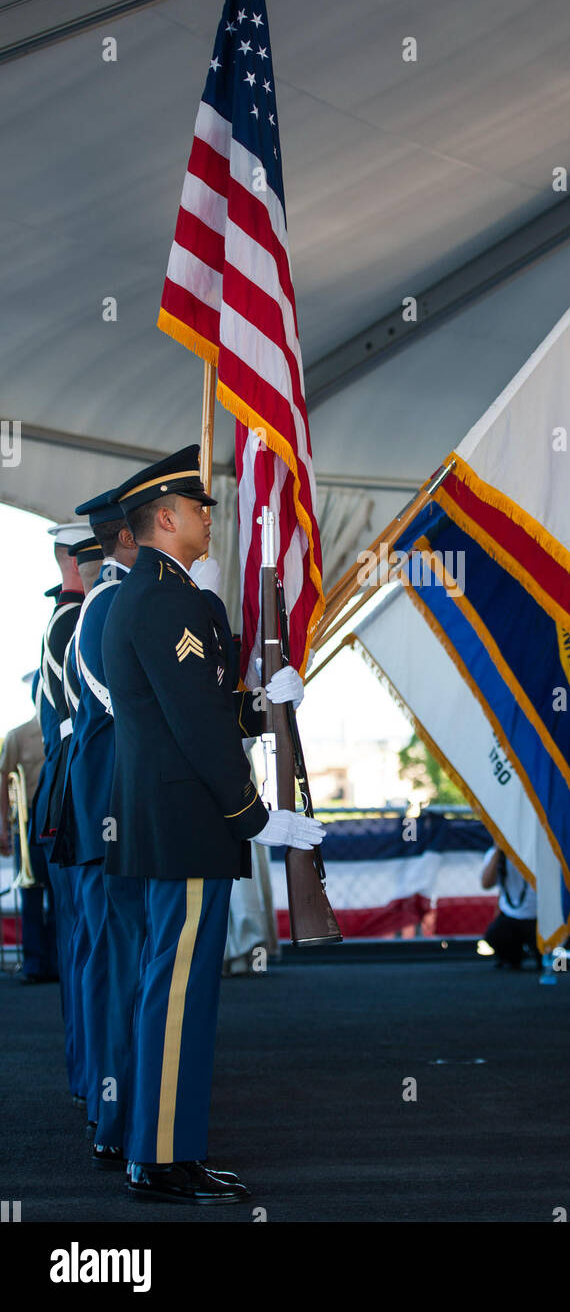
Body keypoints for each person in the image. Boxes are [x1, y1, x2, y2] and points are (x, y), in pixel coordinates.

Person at [102, 444, 324, 1205]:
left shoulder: (159, 594)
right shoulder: (167, 599)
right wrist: (254, 818)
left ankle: (146, 1142)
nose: (208, 516)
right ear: (165, 520)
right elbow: (197, 725)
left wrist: (265, 701)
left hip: (167, 816)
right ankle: (160, 1157)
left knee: (161, 983)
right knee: (176, 992)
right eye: (197, 508)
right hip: (189, 818)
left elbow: (208, 702)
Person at [51, 499, 139, 1151]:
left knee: (99, 956)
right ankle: (114, 1112)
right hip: (108, 802)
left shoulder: (89, 612)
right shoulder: (97, 613)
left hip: (93, 800)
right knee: (110, 958)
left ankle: (98, 1091)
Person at [31, 524, 90, 1103]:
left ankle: (93, 1079)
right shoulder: (73, 621)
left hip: (66, 796)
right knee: (85, 948)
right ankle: (95, 1080)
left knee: (83, 947)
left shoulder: (67, 619)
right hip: (73, 800)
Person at [0, 694, 54, 982]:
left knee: (60, 896)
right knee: (31, 896)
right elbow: (3, 778)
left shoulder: (61, 729)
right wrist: (4, 829)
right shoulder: (17, 735)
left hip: (57, 818)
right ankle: (35, 964)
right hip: (28, 819)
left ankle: (57, 963)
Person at [480, 845, 538, 968]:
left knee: (559, 964)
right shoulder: (496, 854)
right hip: (512, 916)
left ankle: (560, 965)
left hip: (541, 917)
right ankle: (513, 958)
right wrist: (498, 850)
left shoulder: (543, 850)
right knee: (494, 935)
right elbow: (486, 883)